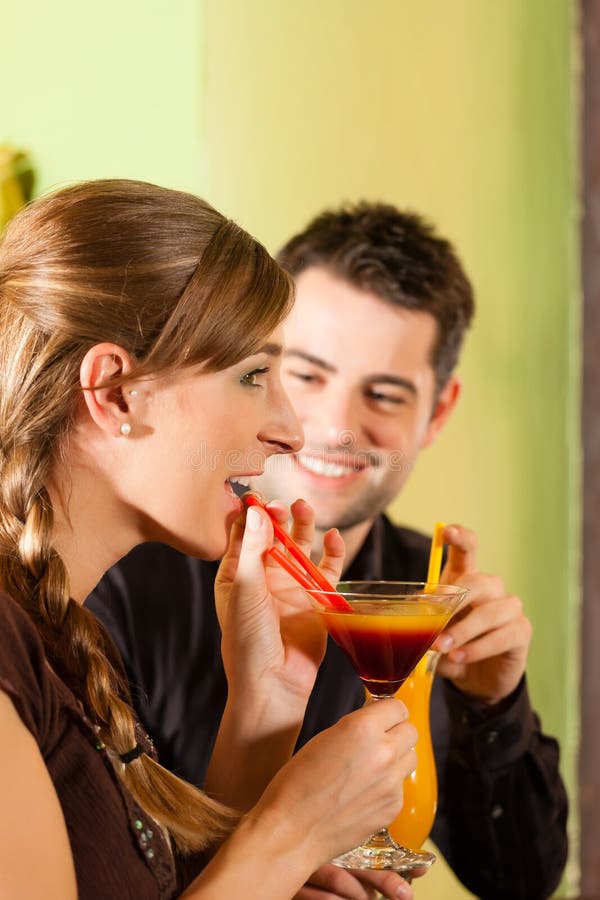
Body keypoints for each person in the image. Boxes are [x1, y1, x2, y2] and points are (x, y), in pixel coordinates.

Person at [87, 202, 569, 900]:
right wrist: (274, 867)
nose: (334, 426)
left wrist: (493, 708)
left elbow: (522, 880)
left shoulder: (429, 595)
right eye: (306, 375)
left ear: (437, 412)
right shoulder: (121, 569)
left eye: (385, 394)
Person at [0, 181, 424, 900]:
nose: (292, 430)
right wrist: (291, 833)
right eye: (254, 375)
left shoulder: (68, 640)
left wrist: (267, 696)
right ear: (116, 392)